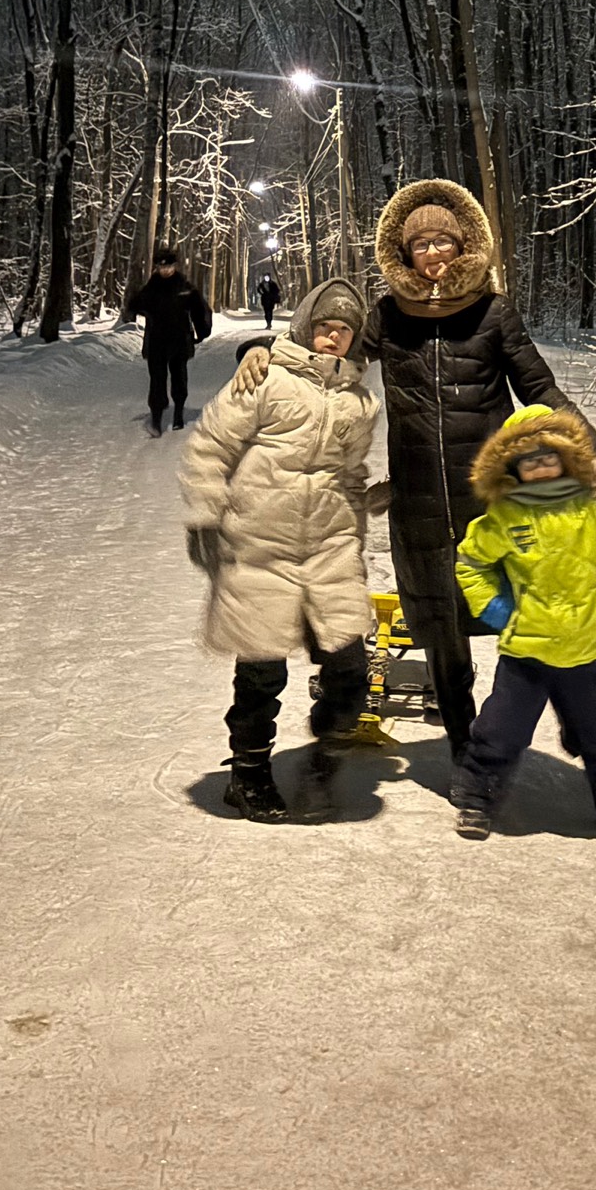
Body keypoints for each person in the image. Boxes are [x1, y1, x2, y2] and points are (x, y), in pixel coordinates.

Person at [234, 179, 596, 759]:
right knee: (441, 631)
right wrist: (262, 351)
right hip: (420, 504)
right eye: (420, 244)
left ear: (464, 247)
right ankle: (465, 745)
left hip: (494, 498)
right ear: (403, 253)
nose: (432, 253)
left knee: (536, 612)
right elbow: (325, 358)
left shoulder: (493, 313)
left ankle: (577, 713)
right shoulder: (388, 317)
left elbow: (539, 386)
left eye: (443, 242)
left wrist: (590, 449)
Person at [180, 278, 377, 822]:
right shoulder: (265, 378)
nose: (332, 338)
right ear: (306, 328)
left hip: (329, 549)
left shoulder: (362, 403)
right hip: (260, 541)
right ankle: (247, 775)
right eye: (323, 327)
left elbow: (353, 474)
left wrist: (358, 531)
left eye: (343, 330)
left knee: (350, 667)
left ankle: (325, 757)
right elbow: (210, 444)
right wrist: (205, 514)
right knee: (262, 671)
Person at [451, 404, 596, 843]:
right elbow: (471, 562)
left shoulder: (594, 509)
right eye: (530, 461)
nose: (541, 468)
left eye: (549, 458)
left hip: (589, 650)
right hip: (525, 651)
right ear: (512, 468)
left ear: (567, 460)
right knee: (500, 731)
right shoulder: (505, 518)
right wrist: (495, 608)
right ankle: (476, 800)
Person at [128, 246, 212, 435]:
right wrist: (137, 308)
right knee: (157, 380)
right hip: (157, 341)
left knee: (179, 378)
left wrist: (202, 330)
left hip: (179, 340)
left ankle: (178, 415)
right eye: (161, 267)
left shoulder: (185, 287)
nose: (165, 270)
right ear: (157, 267)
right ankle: (156, 418)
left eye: (169, 266)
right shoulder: (151, 288)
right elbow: (135, 304)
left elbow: (200, 309)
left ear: (175, 266)